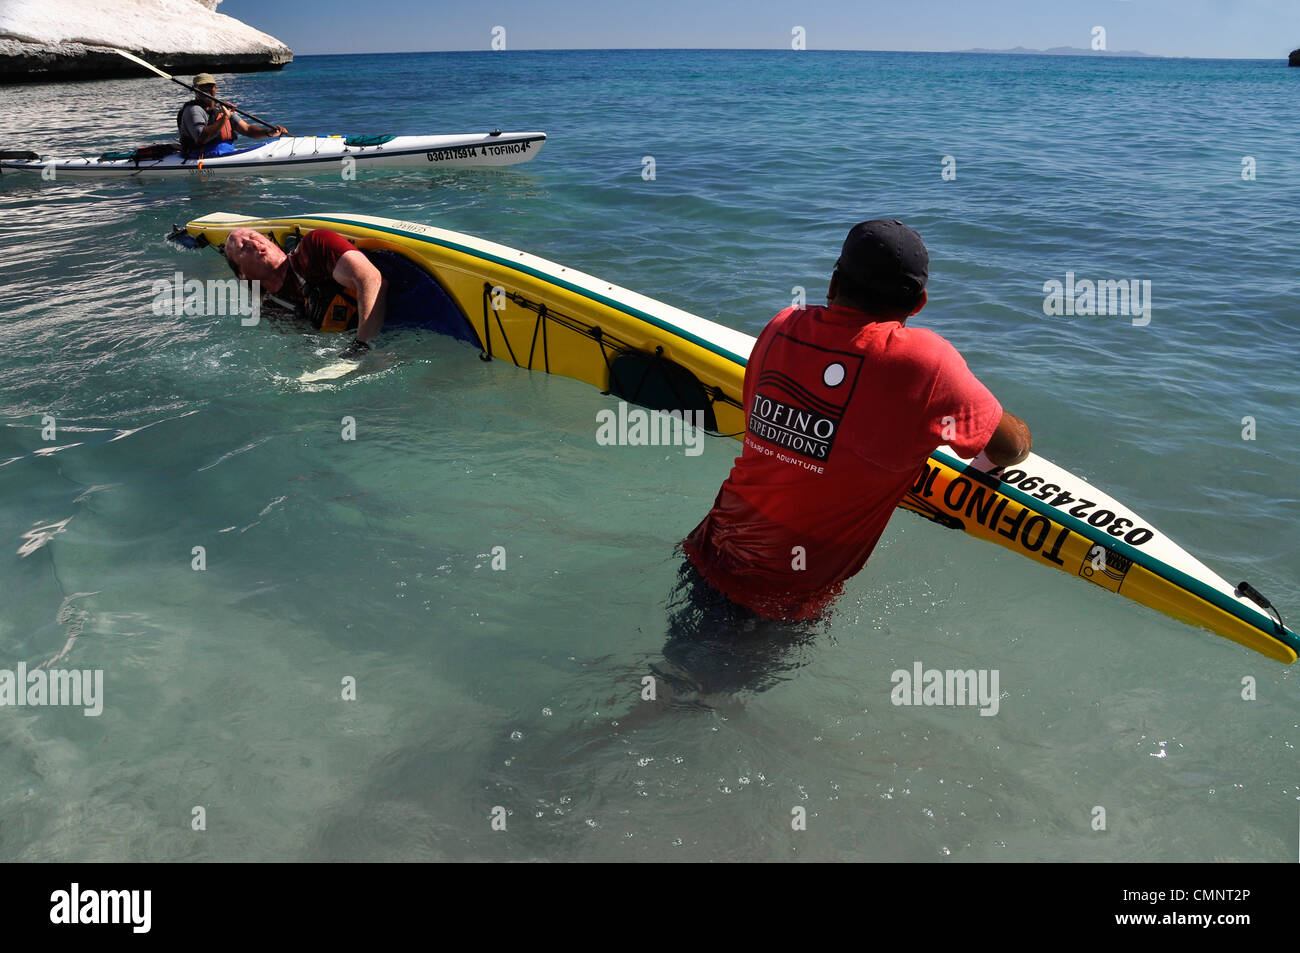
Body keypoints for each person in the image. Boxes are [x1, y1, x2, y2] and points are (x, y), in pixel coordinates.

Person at [678, 219, 1032, 625]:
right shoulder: (926, 364)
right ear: (919, 303)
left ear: (832, 285)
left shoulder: (781, 326)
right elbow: (1008, 446)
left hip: (711, 544)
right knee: (713, 686)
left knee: (681, 675)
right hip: (780, 593)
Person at [223, 227, 387, 358]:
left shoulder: (314, 247)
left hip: (389, 314)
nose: (254, 243)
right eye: (243, 246)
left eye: (254, 236)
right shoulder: (272, 309)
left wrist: (362, 345)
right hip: (387, 340)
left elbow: (371, 279)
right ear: (242, 275)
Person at [177, 73, 287, 159]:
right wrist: (225, 117)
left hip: (225, 153)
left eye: (210, 86)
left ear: (216, 88)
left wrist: (269, 132)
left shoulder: (221, 108)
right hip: (202, 156)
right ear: (195, 90)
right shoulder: (194, 110)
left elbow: (247, 129)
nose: (207, 90)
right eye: (203, 87)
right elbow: (201, 138)